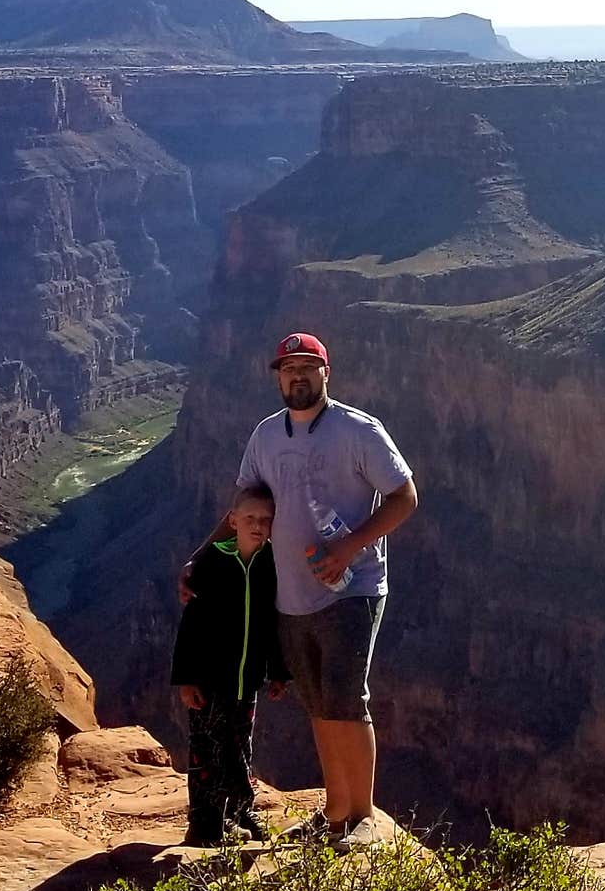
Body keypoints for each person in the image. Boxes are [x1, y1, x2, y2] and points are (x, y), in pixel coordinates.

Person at [226, 331, 419, 852]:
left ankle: (362, 816)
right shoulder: (265, 437)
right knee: (318, 704)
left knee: (345, 698)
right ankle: (335, 812)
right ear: (277, 377)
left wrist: (349, 548)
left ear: (325, 373)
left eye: (308, 367)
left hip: (353, 589)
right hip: (290, 595)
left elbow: (405, 496)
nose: (298, 376)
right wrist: (206, 556)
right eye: (289, 369)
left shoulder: (359, 430)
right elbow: (247, 500)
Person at [170, 482, 289, 846]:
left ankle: (240, 813)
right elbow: (190, 625)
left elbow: (273, 624)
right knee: (205, 750)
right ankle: (204, 823)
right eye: (249, 518)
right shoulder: (212, 562)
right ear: (232, 521)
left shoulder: (271, 564)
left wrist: (278, 671)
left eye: (265, 520)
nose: (257, 525)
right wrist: (185, 679)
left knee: (240, 747)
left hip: (247, 681)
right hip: (209, 679)